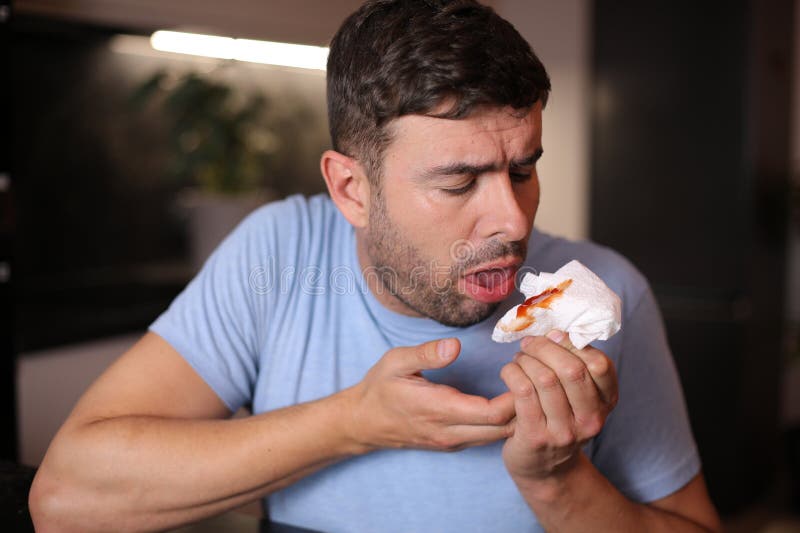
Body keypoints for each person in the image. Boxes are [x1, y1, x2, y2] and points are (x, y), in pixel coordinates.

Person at [29, 1, 722, 531]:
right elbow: (64, 498)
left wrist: (558, 481)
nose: (513, 221)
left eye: (523, 169)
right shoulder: (281, 254)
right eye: (458, 182)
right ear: (351, 190)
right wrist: (355, 421)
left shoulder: (610, 292)